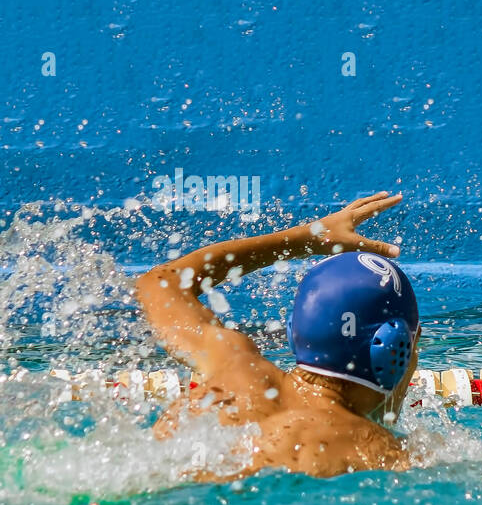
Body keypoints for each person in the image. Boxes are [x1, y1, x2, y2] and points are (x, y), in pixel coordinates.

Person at [136, 191, 419, 479]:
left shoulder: (232, 365)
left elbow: (160, 282)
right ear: (394, 349)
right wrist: (389, 413)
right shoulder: (380, 453)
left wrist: (307, 238)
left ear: (295, 329)